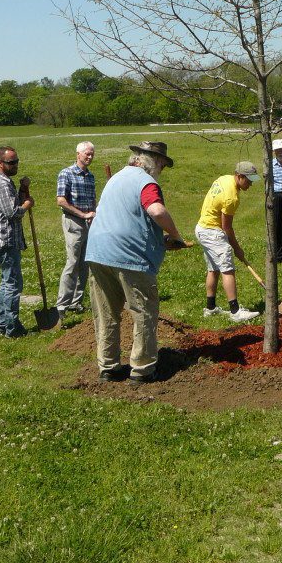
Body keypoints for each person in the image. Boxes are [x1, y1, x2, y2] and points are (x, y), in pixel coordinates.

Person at [85, 141, 188, 386]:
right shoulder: (146, 182)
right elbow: (156, 211)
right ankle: (141, 370)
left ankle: (108, 367)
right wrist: (175, 237)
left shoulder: (115, 179)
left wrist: (158, 240)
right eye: (162, 163)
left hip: (98, 252)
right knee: (143, 311)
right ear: (151, 160)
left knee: (106, 312)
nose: (162, 169)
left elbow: (123, 218)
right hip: (129, 257)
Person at [195, 162, 262, 322]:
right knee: (227, 270)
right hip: (213, 232)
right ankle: (235, 311)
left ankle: (210, 308)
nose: (251, 184)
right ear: (239, 176)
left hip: (201, 228)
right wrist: (237, 249)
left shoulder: (224, 178)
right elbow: (227, 228)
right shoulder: (232, 197)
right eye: (249, 180)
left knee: (214, 269)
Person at [0, 146, 34, 338]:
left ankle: (1, 325)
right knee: (13, 285)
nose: (15, 165)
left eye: (16, 161)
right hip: (5, 241)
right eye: (11, 162)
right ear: (0, 162)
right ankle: (12, 328)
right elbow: (12, 213)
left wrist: (23, 189)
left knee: (7, 282)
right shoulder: (1, 183)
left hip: (8, 240)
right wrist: (26, 204)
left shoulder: (7, 181)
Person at [55, 140, 96, 317]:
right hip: (73, 222)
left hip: (88, 223)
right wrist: (82, 214)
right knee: (72, 263)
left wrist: (93, 214)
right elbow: (61, 201)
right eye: (87, 153)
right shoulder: (67, 173)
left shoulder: (90, 176)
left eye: (92, 154)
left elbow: (92, 200)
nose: (90, 156)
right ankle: (61, 306)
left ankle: (76, 302)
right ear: (78, 154)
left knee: (84, 264)